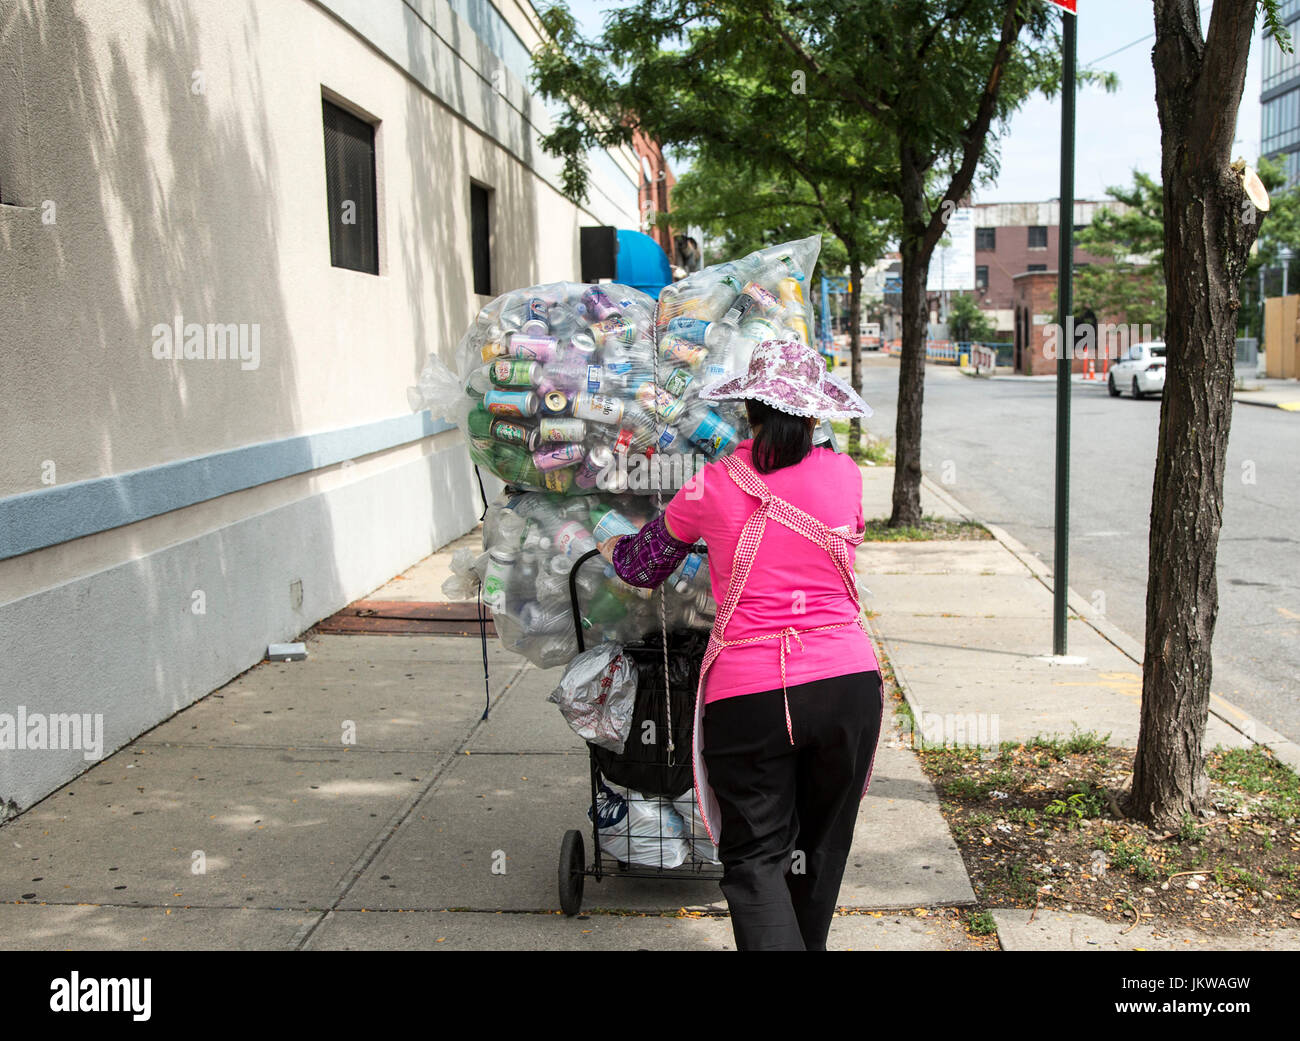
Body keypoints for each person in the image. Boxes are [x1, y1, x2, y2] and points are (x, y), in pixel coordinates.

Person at [597, 338, 883, 951]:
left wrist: (607, 549)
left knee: (756, 860)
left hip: (750, 694)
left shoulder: (711, 485)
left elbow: (642, 567)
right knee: (819, 849)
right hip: (846, 685)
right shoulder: (845, 474)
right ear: (813, 413)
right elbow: (841, 537)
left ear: (747, 410)